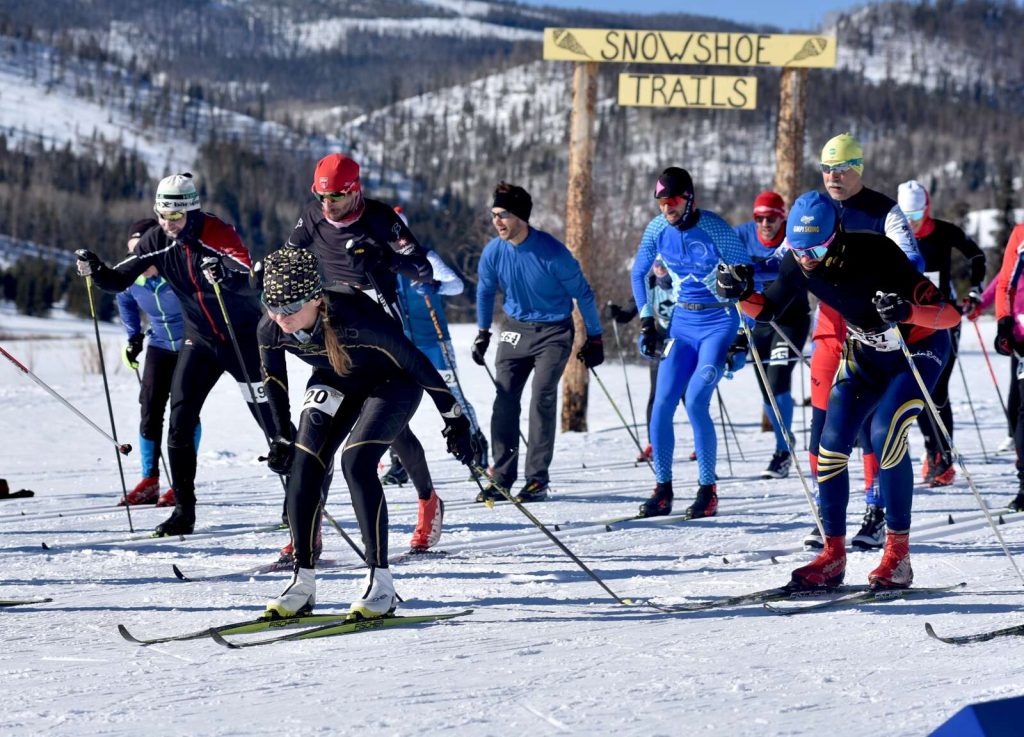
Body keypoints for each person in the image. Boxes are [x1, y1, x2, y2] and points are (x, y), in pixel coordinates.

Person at [718, 191, 958, 589]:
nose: (807, 258)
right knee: (830, 446)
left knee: (886, 433)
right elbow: (770, 308)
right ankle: (833, 555)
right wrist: (739, 295)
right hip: (865, 353)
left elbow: (947, 315)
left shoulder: (876, 252)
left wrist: (907, 311)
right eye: (798, 248)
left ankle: (898, 556)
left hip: (917, 349)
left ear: (836, 236)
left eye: (816, 248)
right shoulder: (799, 258)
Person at [257, 247, 474, 619]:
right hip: (334, 381)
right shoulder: (272, 326)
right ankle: (303, 581)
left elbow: (416, 362)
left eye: (290, 308)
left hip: (391, 384)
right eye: (273, 307)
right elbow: (273, 380)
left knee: (355, 461)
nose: (281, 318)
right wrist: (279, 436)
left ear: (316, 298)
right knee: (305, 463)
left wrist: (454, 417)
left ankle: (381, 583)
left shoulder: (354, 318)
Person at [76, 173, 279, 537]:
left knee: (271, 421)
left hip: (241, 338)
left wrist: (224, 274)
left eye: (176, 217)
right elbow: (120, 280)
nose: (169, 225)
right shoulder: (156, 240)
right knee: (179, 421)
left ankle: (297, 499)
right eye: (162, 216)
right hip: (199, 341)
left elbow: (251, 279)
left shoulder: (217, 233)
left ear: (192, 210)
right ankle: (184, 512)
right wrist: (96, 270)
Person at [286, 154, 443, 545]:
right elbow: (289, 258)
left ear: (355, 190)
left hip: (382, 335)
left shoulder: (380, 219)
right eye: (321, 196)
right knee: (317, 433)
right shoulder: (313, 216)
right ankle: (308, 528)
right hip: (336, 331)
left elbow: (424, 269)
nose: (328, 205)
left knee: (394, 433)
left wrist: (385, 258)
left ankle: (428, 500)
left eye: (336, 196)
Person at [803, 133, 923, 551]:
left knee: (873, 428)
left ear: (860, 168)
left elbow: (911, 258)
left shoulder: (882, 211)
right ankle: (828, 514)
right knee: (825, 428)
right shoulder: (815, 209)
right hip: (829, 330)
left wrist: (891, 291)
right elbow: (785, 258)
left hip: (872, 329)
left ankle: (876, 509)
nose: (833, 176)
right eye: (826, 168)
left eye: (842, 168)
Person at [630, 166, 752, 518]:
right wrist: (647, 319)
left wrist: (742, 337)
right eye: (661, 202)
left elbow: (747, 281)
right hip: (682, 323)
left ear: (690, 199)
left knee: (696, 401)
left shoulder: (713, 227)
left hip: (719, 323)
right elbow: (638, 273)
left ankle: (707, 490)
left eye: (674, 201)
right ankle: (663, 489)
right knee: (662, 404)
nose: (667, 208)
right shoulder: (656, 229)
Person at [473, 181, 604, 503]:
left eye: (503, 215)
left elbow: (583, 294)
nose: (497, 222)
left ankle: (536, 480)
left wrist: (595, 336)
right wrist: (482, 332)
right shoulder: (494, 252)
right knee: (504, 400)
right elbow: (485, 290)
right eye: (494, 215)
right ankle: (501, 477)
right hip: (515, 329)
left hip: (554, 332)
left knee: (541, 398)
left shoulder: (553, 253)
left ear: (521, 217)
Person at [381, 207, 489, 487]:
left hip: (434, 340)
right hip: (402, 344)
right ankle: (399, 462)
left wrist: (435, 285)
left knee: (453, 395)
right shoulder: (380, 261)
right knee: (396, 400)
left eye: (399, 232)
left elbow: (456, 285)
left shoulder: (425, 256)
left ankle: (477, 450)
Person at [897, 180, 986, 487]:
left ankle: (943, 457)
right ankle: (932, 450)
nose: (912, 223)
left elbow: (977, 256)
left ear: (928, 208)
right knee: (916, 390)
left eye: (918, 215)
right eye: (906, 216)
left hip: (944, 318)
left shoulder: (944, 232)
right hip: (909, 321)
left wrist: (975, 291)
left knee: (937, 388)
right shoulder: (892, 234)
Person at [115, 218, 201, 507]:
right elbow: (124, 302)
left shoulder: (178, 270)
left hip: (191, 346)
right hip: (160, 345)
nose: (136, 259)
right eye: (132, 253)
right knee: (150, 408)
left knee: (184, 411)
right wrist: (133, 338)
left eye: (142, 251)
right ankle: (149, 480)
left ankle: (181, 482)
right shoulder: (131, 279)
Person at [734, 191, 811, 479]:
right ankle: (785, 438)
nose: (765, 224)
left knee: (779, 381)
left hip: (790, 318)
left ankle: (782, 451)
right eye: (760, 218)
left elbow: (786, 270)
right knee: (767, 388)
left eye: (772, 218)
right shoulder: (741, 236)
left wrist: (752, 271)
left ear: (783, 218)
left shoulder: (793, 237)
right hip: (758, 322)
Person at [605, 257, 676, 462]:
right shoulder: (649, 285)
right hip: (661, 344)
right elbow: (628, 313)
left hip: (684, 343)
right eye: (656, 264)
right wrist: (615, 314)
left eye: (664, 263)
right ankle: (654, 444)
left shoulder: (683, 281)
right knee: (657, 395)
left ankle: (700, 445)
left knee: (688, 396)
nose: (660, 268)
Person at [992, 221, 1024, 512]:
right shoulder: (1021, 232)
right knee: (1021, 408)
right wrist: (1004, 323)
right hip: (1023, 330)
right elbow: (1004, 283)